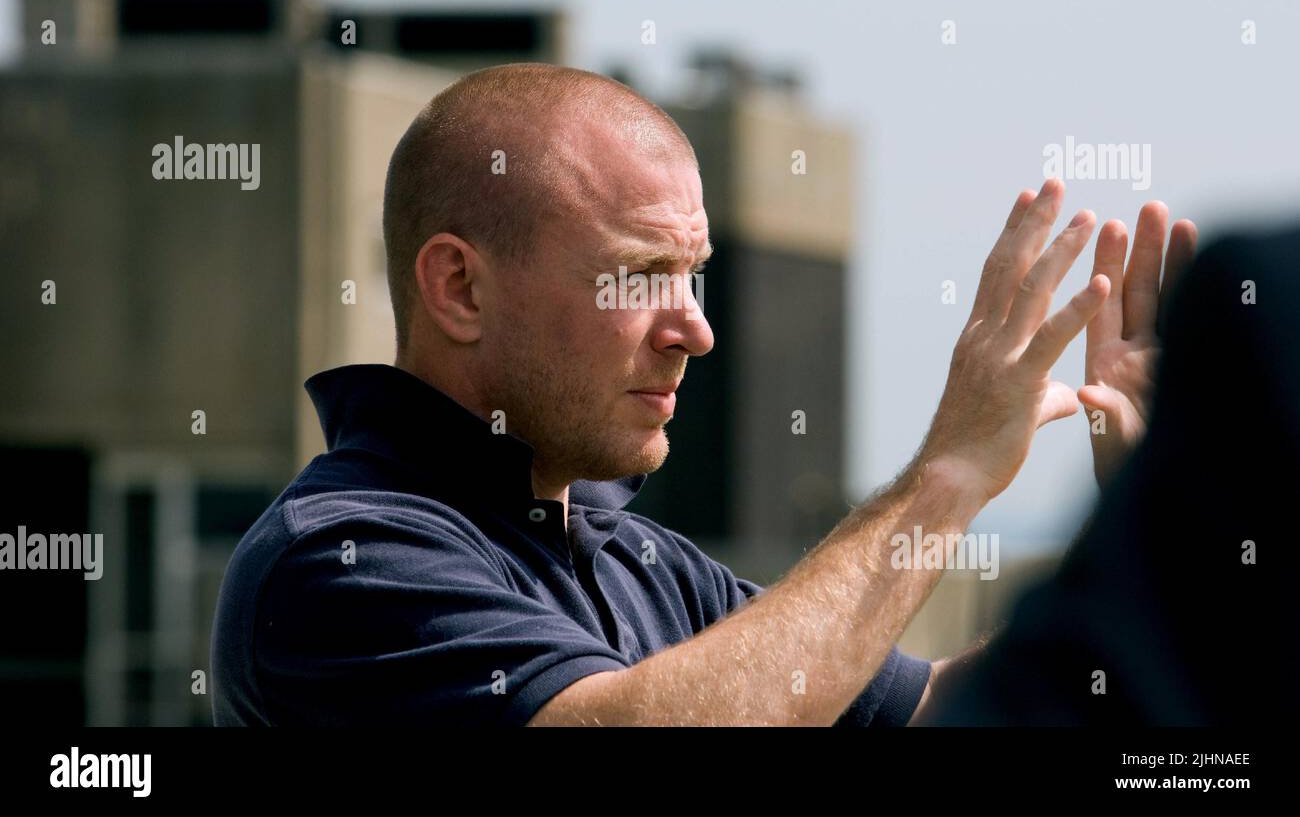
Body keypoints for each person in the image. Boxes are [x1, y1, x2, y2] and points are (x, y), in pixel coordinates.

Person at [210, 62, 1188, 726]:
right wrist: (949, 472)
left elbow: (943, 711)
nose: (694, 328)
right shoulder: (340, 559)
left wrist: (1154, 526)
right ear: (459, 287)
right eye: (639, 274)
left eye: (693, 275)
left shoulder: (648, 565)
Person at [920, 222, 1293, 726]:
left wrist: (1150, 515)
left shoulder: (1259, 279)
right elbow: (909, 700)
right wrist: (1161, 513)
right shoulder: (1266, 282)